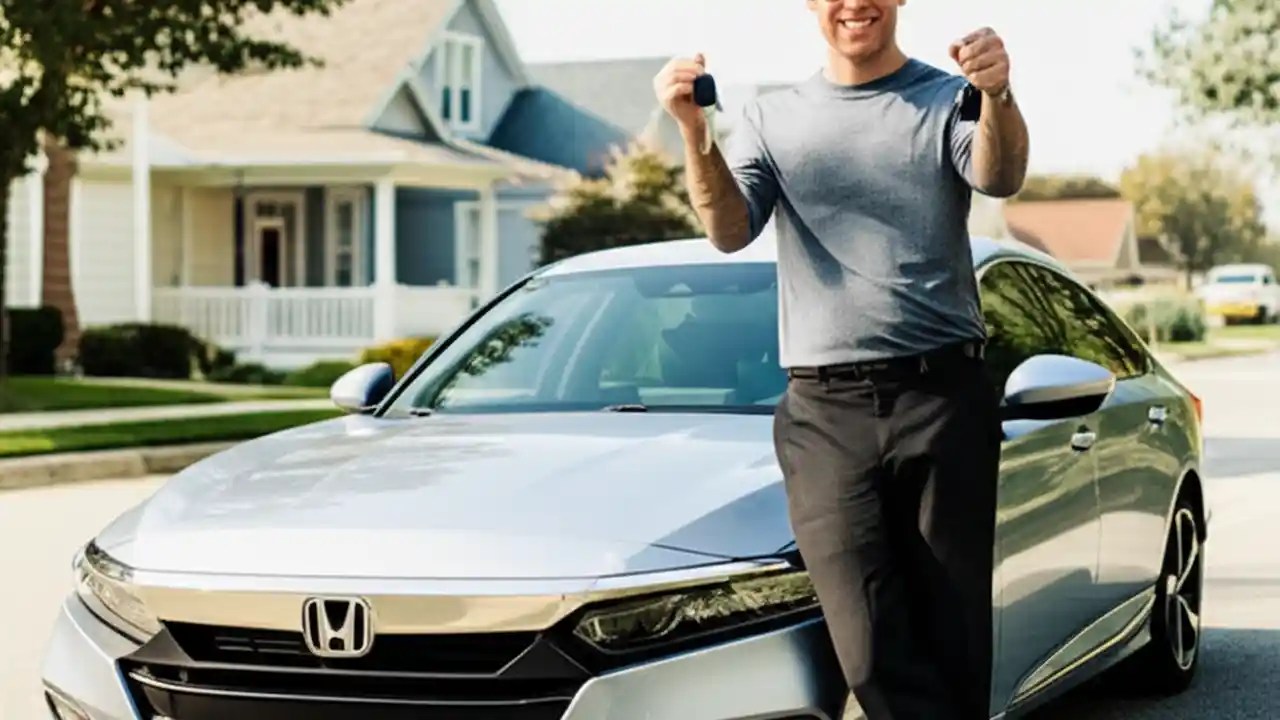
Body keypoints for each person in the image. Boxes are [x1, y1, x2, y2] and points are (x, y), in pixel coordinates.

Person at [652, 1, 1030, 719]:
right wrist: (693, 133)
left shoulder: (945, 96)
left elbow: (999, 175)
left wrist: (999, 96)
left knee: (955, 643)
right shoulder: (773, 116)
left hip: (942, 400)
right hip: (826, 416)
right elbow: (731, 230)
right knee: (867, 647)